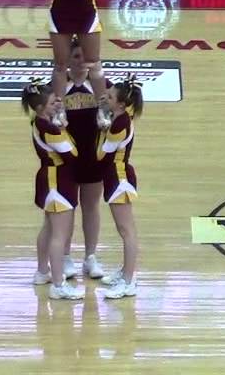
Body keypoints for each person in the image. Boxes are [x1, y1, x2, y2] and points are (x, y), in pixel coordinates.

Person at [56, 39, 111, 282]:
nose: (80, 62)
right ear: (67, 60)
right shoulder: (58, 87)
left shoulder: (100, 87)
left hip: (92, 155)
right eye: (75, 57)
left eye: (84, 57)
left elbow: (112, 115)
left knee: (91, 207)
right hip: (66, 157)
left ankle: (90, 257)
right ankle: (66, 256)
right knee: (67, 209)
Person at [23, 83, 84, 300]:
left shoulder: (40, 122)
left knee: (48, 228)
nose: (56, 105)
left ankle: (42, 272)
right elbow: (72, 154)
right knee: (59, 234)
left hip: (50, 179)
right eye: (51, 103)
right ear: (40, 108)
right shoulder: (48, 127)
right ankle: (58, 285)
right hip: (58, 180)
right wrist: (64, 128)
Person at [94, 78, 142, 299]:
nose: (107, 97)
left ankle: (129, 281)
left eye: (110, 97)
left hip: (119, 177)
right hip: (115, 176)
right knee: (125, 230)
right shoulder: (120, 117)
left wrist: (101, 126)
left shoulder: (120, 123)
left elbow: (101, 155)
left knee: (126, 231)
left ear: (121, 105)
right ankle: (125, 273)